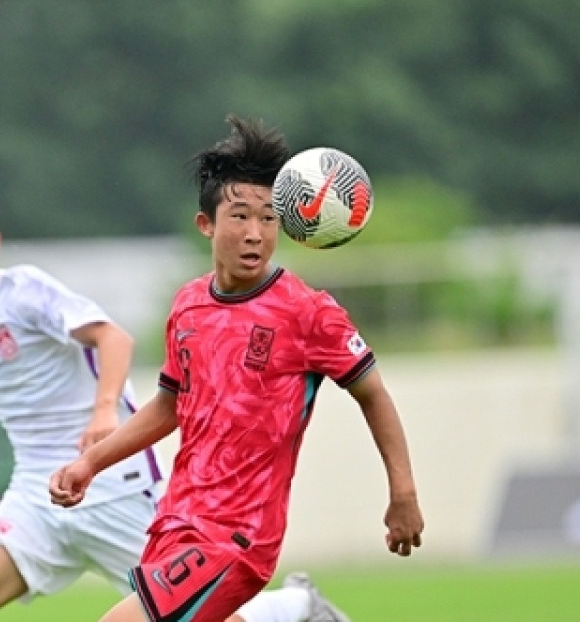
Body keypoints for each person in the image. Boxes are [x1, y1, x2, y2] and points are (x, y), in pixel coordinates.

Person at [0, 175, 347, 622]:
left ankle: (293, 607)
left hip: (116, 487)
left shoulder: (26, 292)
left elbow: (114, 338)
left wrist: (104, 409)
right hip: (37, 497)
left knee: (201, 618)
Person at [50, 116, 425, 622]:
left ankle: (294, 609)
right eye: (240, 217)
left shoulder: (306, 312)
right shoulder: (187, 306)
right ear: (206, 224)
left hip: (240, 535)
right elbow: (168, 407)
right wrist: (90, 464)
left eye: (269, 219)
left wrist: (402, 493)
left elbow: (373, 394)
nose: (255, 234)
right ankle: (301, 611)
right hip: (177, 520)